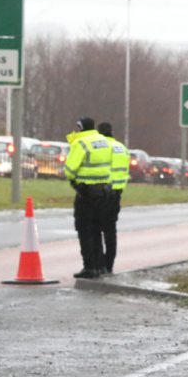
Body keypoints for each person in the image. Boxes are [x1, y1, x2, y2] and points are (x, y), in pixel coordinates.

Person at [63, 117, 114, 278]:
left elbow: (70, 169)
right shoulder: (104, 141)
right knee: (97, 230)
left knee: (84, 230)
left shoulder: (82, 143)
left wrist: (75, 181)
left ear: (81, 128)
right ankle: (99, 266)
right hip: (103, 192)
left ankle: (89, 267)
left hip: (86, 193)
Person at [97, 122, 130, 275]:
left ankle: (99, 263)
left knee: (96, 230)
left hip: (101, 193)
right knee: (110, 231)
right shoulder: (121, 148)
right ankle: (109, 264)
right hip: (116, 194)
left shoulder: (102, 147)